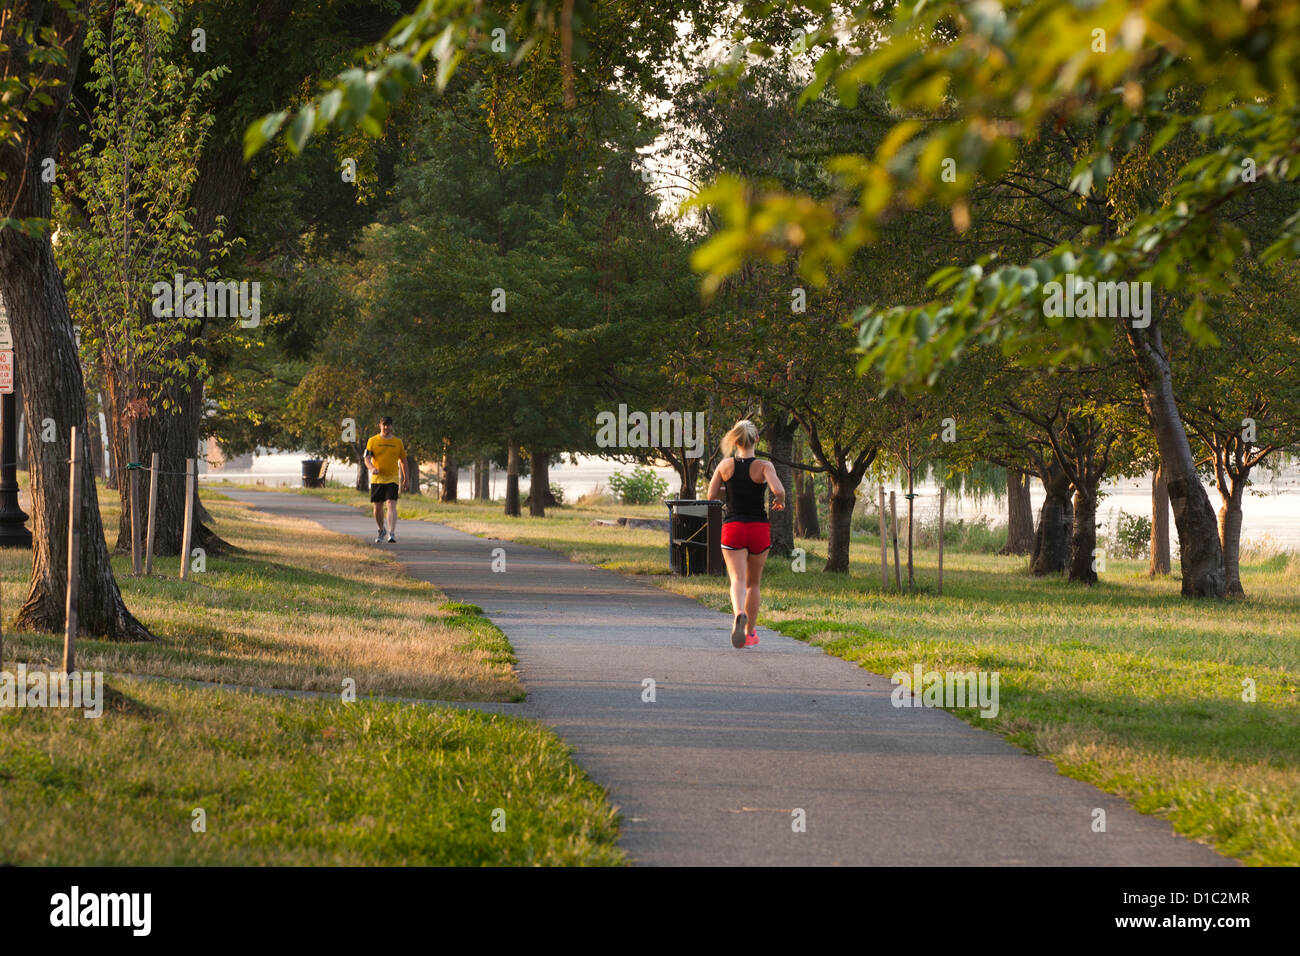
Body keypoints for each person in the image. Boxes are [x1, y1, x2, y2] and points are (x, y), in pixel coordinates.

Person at [706, 419, 785, 648]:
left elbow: (711, 496)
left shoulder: (725, 465)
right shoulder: (764, 466)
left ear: (735, 440)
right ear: (756, 439)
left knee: (737, 580)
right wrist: (779, 502)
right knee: (754, 584)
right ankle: (750, 632)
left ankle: (739, 612)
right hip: (759, 529)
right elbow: (778, 490)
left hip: (733, 528)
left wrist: (730, 489)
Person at [364, 416, 407, 543]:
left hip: (392, 478)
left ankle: (392, 533)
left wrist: (406, 478)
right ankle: (381, 529)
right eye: (384, 425)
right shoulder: (372, 441)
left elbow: (404, 461)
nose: (386, 427)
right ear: (380, 426)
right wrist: (372, 468)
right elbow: (366, 458)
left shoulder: (398, 442)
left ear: (392, 426)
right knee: (377, 507)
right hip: (377, 479)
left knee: (391, 504)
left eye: (389, 425)